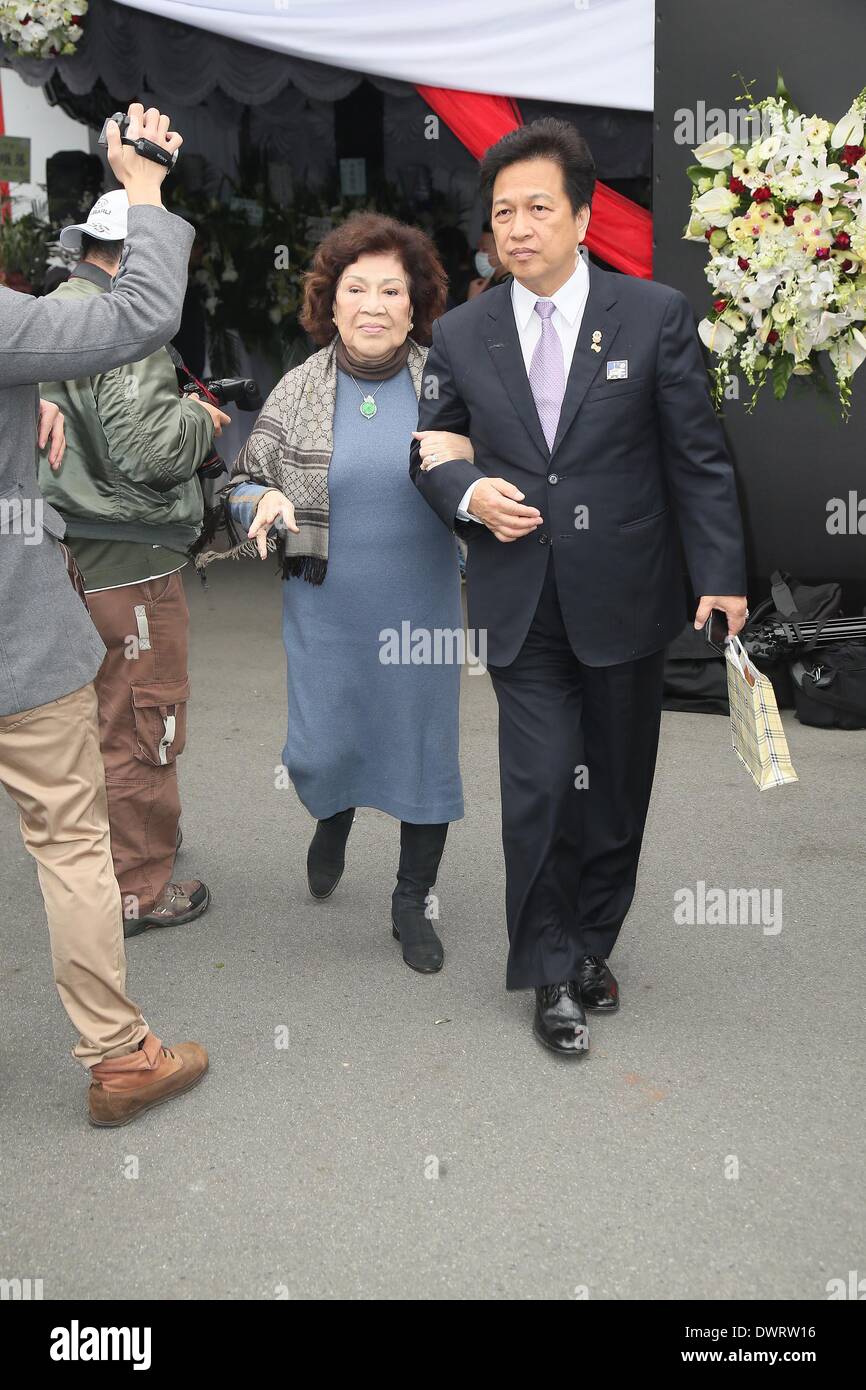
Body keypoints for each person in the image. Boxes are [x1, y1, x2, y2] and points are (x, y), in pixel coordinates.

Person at [411, 118, 748, 1055]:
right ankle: (550, 968)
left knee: (615, 792)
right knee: (540, 789)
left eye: (537, 209)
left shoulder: (653, 316)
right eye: (502, 212)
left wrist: (721, 573)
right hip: (522, 601)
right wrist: (469, 490)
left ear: (584, 217)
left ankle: (594, 938)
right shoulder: (464, 331)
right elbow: (432, 448)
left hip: (628, 596)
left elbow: (698, 456)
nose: (516, 228)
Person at [0, 102, 208, 1126]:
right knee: (73, 841)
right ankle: (120, 1058)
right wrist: (146, 183)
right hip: (18, 637)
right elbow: (136, 321)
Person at [203, 212, 469, 973]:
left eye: (392, 289)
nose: (374, 304)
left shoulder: (446, 385)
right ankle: (333, 814)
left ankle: (410, 902)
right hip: (326, 605)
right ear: (333, 300)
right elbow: (242, 479)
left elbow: (488, 471)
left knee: (422, 751)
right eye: (358, 288)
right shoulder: (300, 387)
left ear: (415, 306)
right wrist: (262, 503)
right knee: (321, 750)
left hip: (421, 607)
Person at [38, 189, 228, 938]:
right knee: (145, 717)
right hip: (130, 556)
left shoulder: (48, 312)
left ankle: (100, 864)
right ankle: (140, 890)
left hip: (65, 552)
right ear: (134, 255)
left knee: (90, 718)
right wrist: (199, 417)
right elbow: (149, 451)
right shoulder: (125, 323)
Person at [466, 221, 511, 300]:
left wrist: (472, 302)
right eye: (479, 249)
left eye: (484, 249)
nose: (479, 254)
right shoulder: (488, 284)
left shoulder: (510, 290)